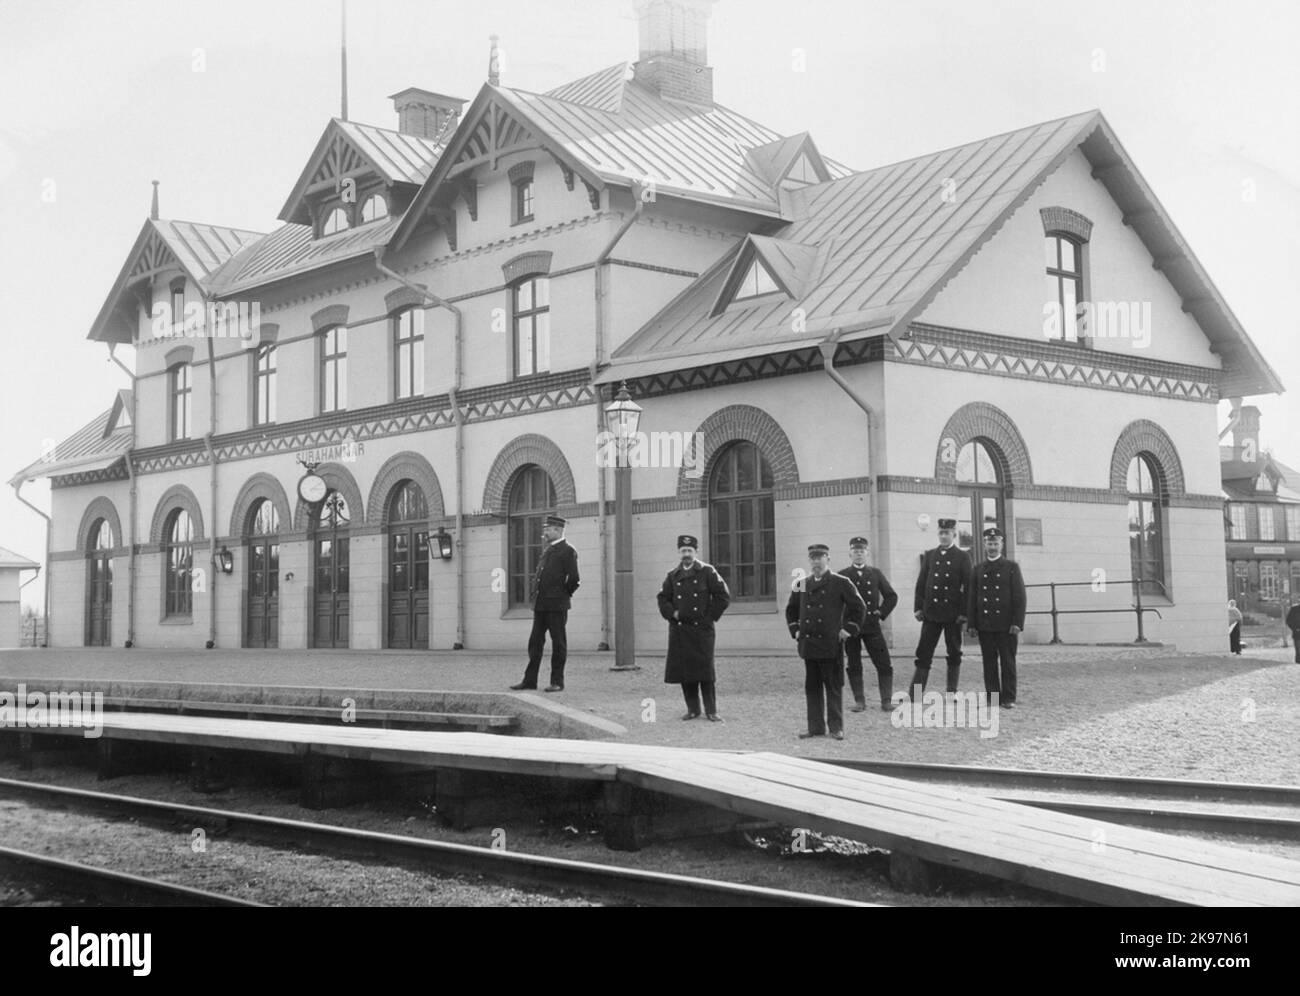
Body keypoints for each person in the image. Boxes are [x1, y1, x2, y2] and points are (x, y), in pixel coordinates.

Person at [785, 543, 867, 741]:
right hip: (809, 644)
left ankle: (836, 727)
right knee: (812, 688)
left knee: (833, 687)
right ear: (809, 561)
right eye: (813, 558)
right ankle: (815, 728)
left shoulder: (841, 582)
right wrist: (796, 631)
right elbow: (791, 609)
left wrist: (848, 630)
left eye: (820, 558)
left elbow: (859, 607)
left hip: (830, 644)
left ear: (828, 559)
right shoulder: (802, 583)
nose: (816, 562)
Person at [657, 534, 731, 722]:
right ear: (678, 552)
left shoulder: (708, 572)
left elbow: (723, 596)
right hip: (680, 631)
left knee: (705, 671)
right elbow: (662, 598)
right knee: (685, 672)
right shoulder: (672, 576)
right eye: (683, 551)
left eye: (690, 551)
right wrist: (672, 614)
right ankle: (692, 709)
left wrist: (710, 617)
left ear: (696, 552)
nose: (686, 554)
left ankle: (711, 710)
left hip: (702, 630)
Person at [511, 515, 580, 692]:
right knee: (535, 643)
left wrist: (562, 595)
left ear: (558, 530)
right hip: (541, 606)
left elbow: (574, 579)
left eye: (548, 529)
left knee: (558, 644)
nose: (545, 533)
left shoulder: (567, 551)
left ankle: (557, 681)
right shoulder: (549, 550)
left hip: (557, 606)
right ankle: (530, 680)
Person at [909, 517, 971, 698]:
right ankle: (916, 694)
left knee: (954, 652)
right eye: (941, 533)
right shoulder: (930, 555)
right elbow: (921, 584)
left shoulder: (962, 557)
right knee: (924, 652)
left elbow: (969, 587)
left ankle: (951, 692)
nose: (944, 536)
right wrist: (918, 607)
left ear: (954, 534)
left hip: (953, 614)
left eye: (947, 533)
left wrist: (964, 613)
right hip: (931, 613)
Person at [966, 527, 1026, 709]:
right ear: (984, 545)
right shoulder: (977, 569)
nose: (992, 547)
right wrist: (972, 623)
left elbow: (1020, 597)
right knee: (989, 663)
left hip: (1006, 624)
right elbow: (972, 598)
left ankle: (1009, 698)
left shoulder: (1011, 568)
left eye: (995, 543)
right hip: (985, 624)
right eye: (989, 543)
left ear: (1002, 544)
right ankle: (993, 697)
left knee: (1008, 662)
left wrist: (1017, 622)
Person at [837, 536, 898, 712]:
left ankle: (886, 700)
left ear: (867, 553)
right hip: (851, 628)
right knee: (854, 664)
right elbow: (835, 601)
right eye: (855, 551)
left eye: (862, 551)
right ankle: (859, 701)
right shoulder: (842, 575)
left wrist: (881, 612)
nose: (858, 554)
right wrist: (840, 623)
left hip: (872, 626)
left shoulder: (876, 573)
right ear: (850, 554)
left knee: (884, 663)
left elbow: (891, 596)